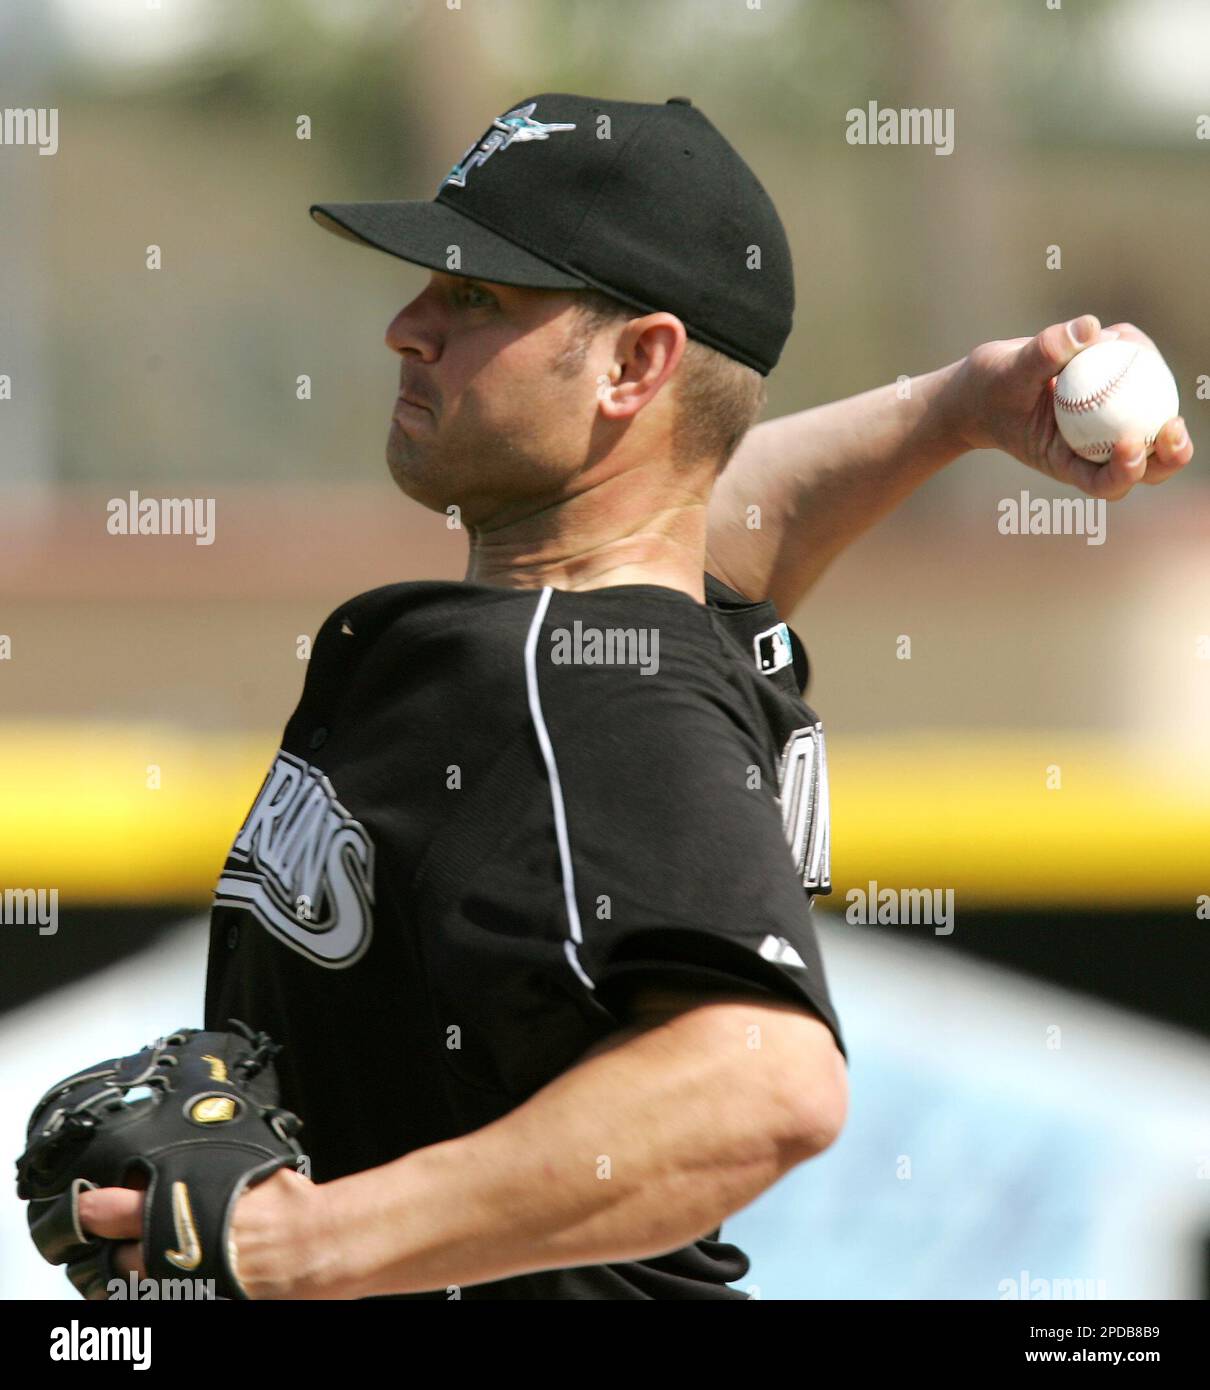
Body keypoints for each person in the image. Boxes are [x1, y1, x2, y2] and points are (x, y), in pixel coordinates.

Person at [74, 93, 1191, 1300]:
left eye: (475, 298)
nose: (406, 326)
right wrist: (953, 410)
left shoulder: (586, 689)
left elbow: (766, 1081)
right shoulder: (627, 627)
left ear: (636, 362)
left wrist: (306, 1242)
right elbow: (710, 514)